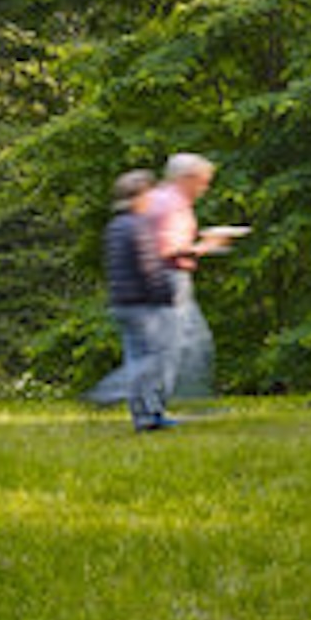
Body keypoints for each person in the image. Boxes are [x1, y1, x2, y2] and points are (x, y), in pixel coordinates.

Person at [142, 152, 242, 398]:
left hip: (154, 277)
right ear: (186, 178)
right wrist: (208, 245)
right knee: (181, 342)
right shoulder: (174, 205)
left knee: (179, 341)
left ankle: (169, 401)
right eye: (202, 181)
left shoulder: (156, 198)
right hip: (169, 278)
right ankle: (176, 401)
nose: (204, 188)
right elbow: (169, 250)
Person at [100, 168, 174, 431]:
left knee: (137, 358)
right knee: (153, 359)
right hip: (141, 304)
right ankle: (109, 390)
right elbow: (149, 267)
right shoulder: (139, 225)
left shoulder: (115, 226)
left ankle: (144, 417)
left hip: (121, 302)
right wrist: (165, 294)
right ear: (138, 197)